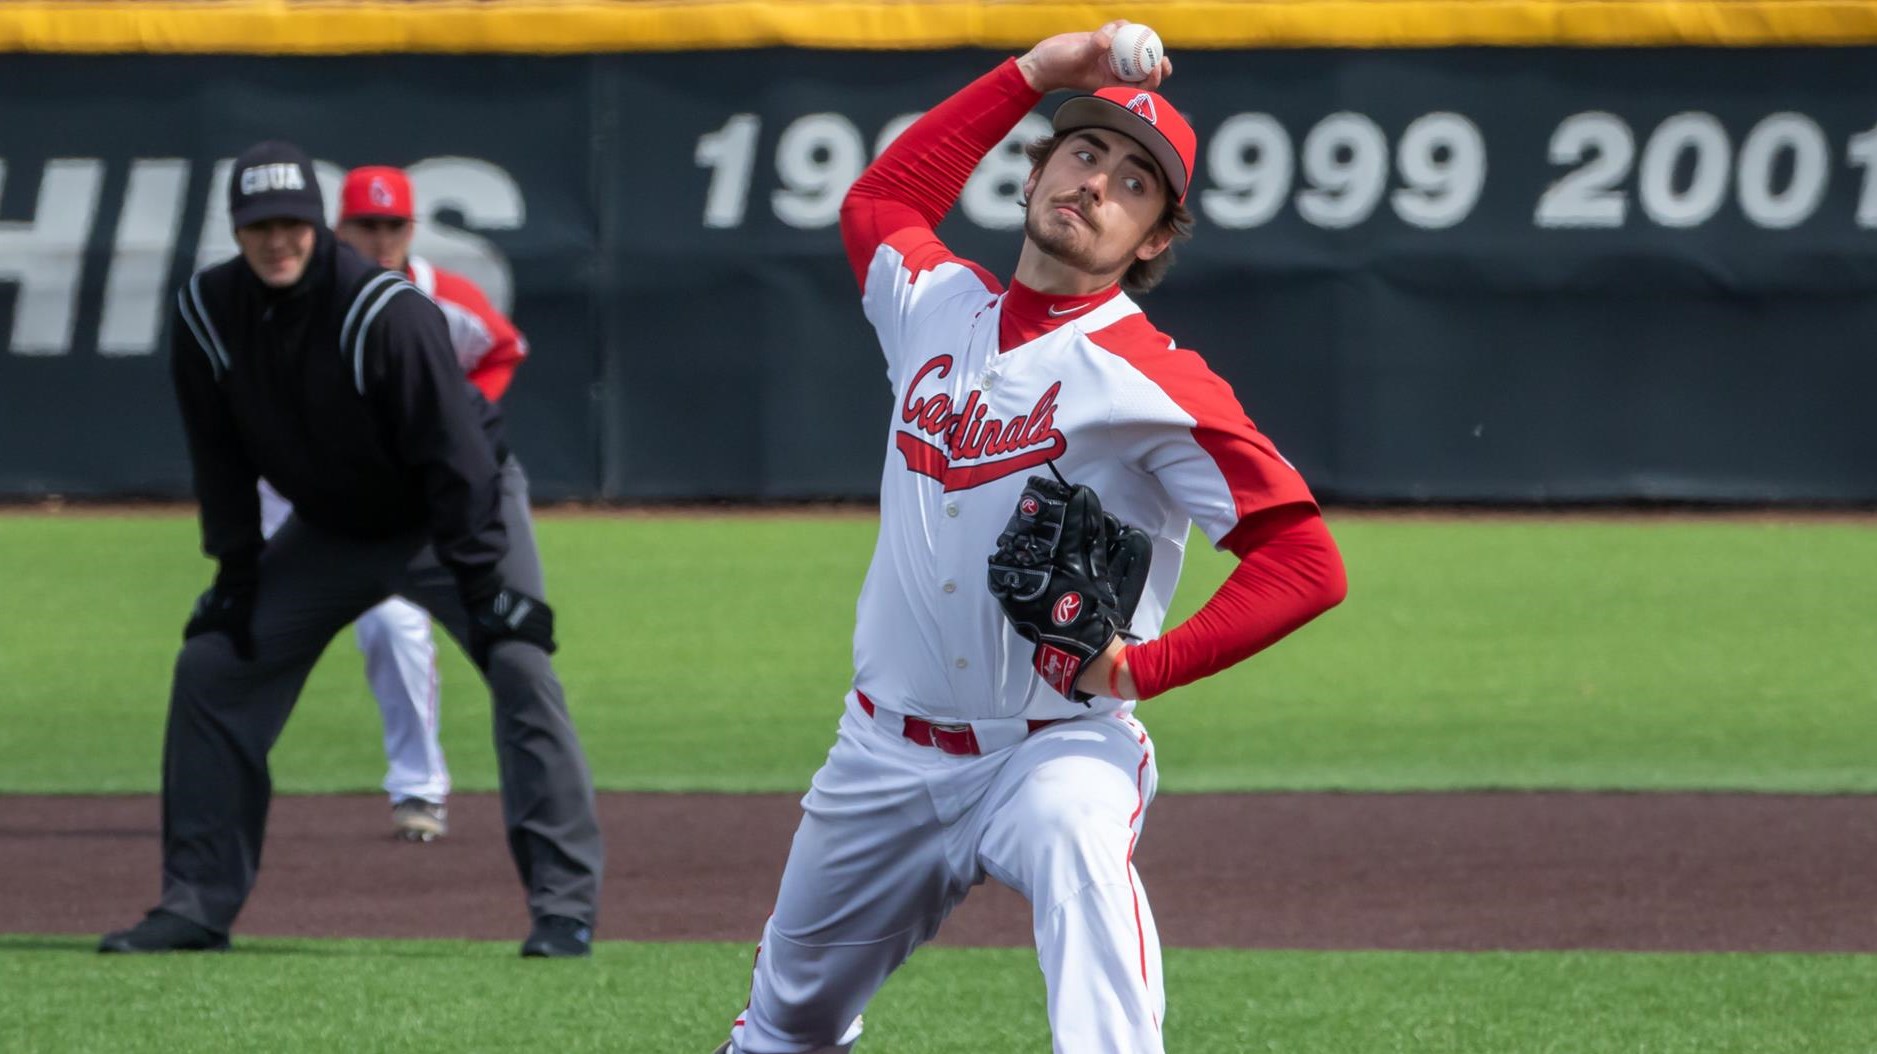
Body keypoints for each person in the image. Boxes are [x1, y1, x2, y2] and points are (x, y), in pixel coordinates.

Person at [712, 23, 1347, 1054]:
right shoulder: (932, 306)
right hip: (881, 749)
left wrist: (1144, 667)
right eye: (1083, 151)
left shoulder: (1150, 379)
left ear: (1150, 242)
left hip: (1051, 750)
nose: (1097, 183)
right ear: (1037, 168)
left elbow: (1304, 562)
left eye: (1135, 184)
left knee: (1073, 841)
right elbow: (880, 201)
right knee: (787, 1026)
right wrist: (1038, 73)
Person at [98, 140, 603, 957]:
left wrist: (484, 584)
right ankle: (195, 905)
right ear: (237, 229)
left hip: (449, 518)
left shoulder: (384, 311)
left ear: (317, 228)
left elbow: (458, 456)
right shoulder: (206, 311)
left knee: (519, 663)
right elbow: (218, 452)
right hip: (333, 530)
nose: (278, 241)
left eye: (293, 223)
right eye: (260, 225)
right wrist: (235, 573)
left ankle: (563, 909)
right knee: (212, 668)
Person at [251, 164, 532, 843]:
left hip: (396, 506)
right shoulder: (291, 298)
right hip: (295, 491)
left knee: (393, 626)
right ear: (336, 228)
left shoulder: (442, 295)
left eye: (392, 224)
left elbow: (503, 348)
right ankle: (225, 792)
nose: (379, 237)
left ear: (411, 229)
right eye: (364, 224)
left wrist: (461, 421)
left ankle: (417, 790)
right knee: (242, 647)